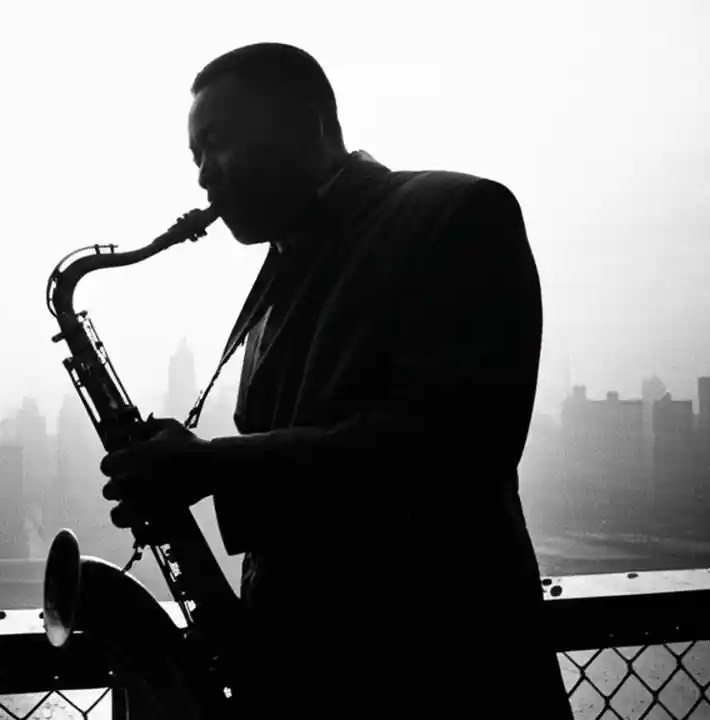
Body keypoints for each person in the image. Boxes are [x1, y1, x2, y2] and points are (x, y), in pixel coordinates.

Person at [99, 42, 574, 717]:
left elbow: (452, 447)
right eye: (194, 157)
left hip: (441, 678)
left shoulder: (459, 211)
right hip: (306, 680)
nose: (204, 178)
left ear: (307, 125)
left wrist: (209, 467)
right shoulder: (282, 270)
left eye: (217, 144)